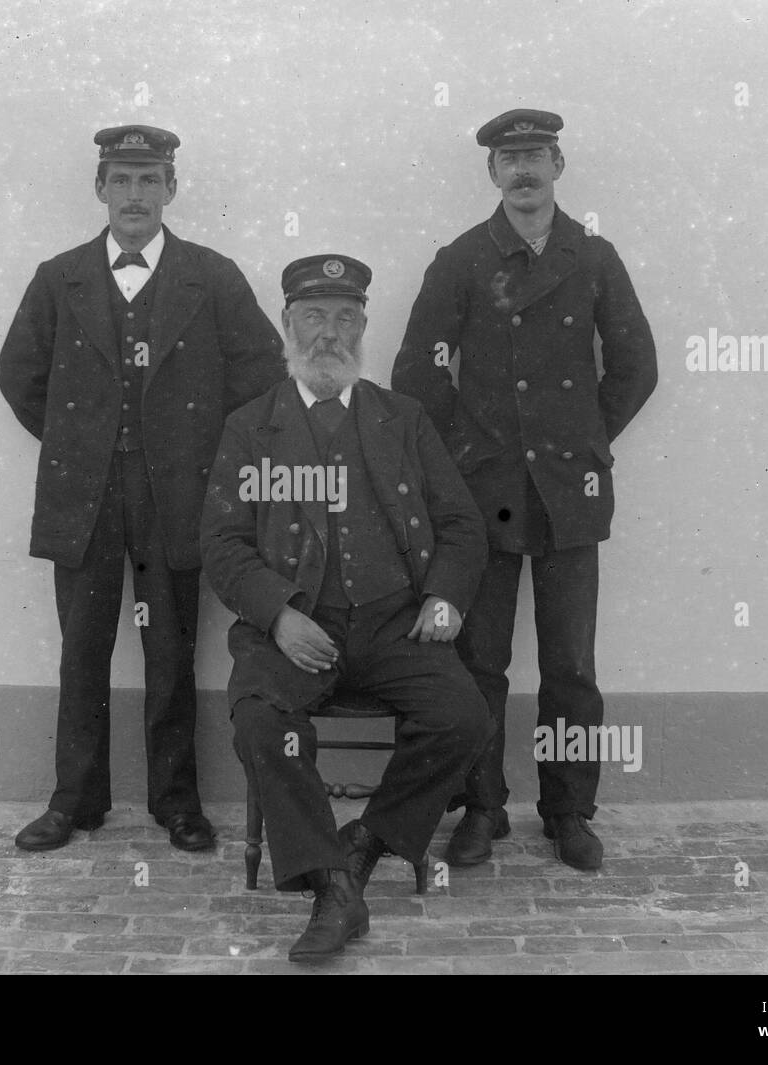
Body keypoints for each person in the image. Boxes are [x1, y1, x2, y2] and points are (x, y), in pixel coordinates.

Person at [0, 124, 284, 854]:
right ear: (99, 188)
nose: (134, 195)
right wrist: (81, 446)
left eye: (149, 179)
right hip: (85, 498)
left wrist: (207, 461)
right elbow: (20, 377)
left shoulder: (211, 278)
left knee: (171, 654)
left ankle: (177, 803)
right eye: (120, 180)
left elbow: (261, 375)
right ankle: (76, 801)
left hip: (176, 500)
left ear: (171, 189)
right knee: (81, 652)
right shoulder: (58, 279)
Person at [202, 254, 491, 962]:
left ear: (362, 326)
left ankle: (364, 841)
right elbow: (222, 540)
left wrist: (445, 598)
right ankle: (334, 885)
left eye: (343, 318)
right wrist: (278, 614)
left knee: (464, 718)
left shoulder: (404, 418)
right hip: (295, 628)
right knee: (263, 725)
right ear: (286, 325)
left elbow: (462, 524)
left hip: (395, 623)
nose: (327, 334)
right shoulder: (251, 426)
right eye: (312, 318)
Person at [391, 109, 658, 871]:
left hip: (570, 494)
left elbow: (636, 366)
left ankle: (568, 810)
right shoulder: (463, 260)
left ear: (559, 165)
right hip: (485, 496)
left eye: (536, 155)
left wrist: (586, 441)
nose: (524, 171)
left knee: (571, 663)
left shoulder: (594, 257)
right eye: (510, 158)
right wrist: (461, 456)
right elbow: (418, 368)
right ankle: (482, 807)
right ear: (492, 173)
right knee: (479, 660)